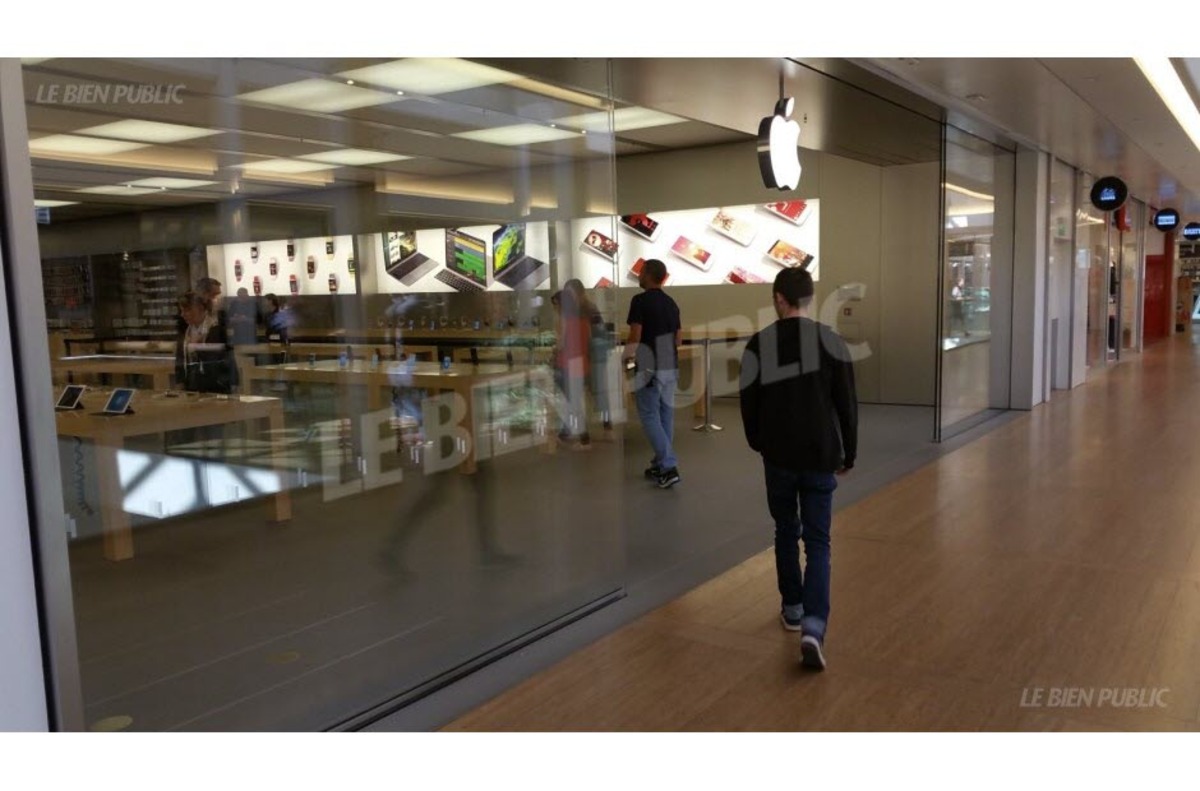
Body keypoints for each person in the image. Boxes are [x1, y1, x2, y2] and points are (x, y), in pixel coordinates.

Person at [738, 267, 857, 671]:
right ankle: (813, 625)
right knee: (819, 541)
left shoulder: (759, 343)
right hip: (821, 454)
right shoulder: (831, 340)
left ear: (778, 299)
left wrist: (759, 443)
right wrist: (850, 453)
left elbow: (748, 404)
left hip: (779, 457)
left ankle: (791, 608)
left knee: (785, 530)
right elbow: (847, 404)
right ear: (808, 298)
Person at [623, 258, 681, 488]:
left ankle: (668, 466)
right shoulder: (671, 303)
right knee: (665, 415)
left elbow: (636, 335)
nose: (638, 275)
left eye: (641, 271)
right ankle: (660, 463)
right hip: (670, 366)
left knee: (648, 415)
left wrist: (625, 358)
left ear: (648, 275)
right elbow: (678, 338)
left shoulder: (639, 301)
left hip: (648, 367)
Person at [563, 278, 616, 441]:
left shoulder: (588, 309)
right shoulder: (574, 310)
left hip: (591, 358)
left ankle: (606, 427)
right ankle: (577, 430)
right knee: (579, 394)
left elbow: (597, 334)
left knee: (597, 393)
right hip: (583, 357)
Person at [551, 287, 592, 448]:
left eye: (556, 305)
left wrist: (553, 352)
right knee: (572, 400)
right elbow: (587, 342)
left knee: (571, 402)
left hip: (566, 365)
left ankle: (584, 438)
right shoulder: (583, 320)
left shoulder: (563, 320)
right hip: (581, 364)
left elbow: (561, 345)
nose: (555, 309)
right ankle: (565, 433)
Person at [176, 291, 235, 394]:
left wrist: (197, 347)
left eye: (187, 310)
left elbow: (216, 359)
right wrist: (180, 381)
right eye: (182, 310)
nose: (183, 314)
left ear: (201, 308)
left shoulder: (216, 329)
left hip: (215, 386)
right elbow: (180, 358)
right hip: (191, 385)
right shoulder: (185, 332)